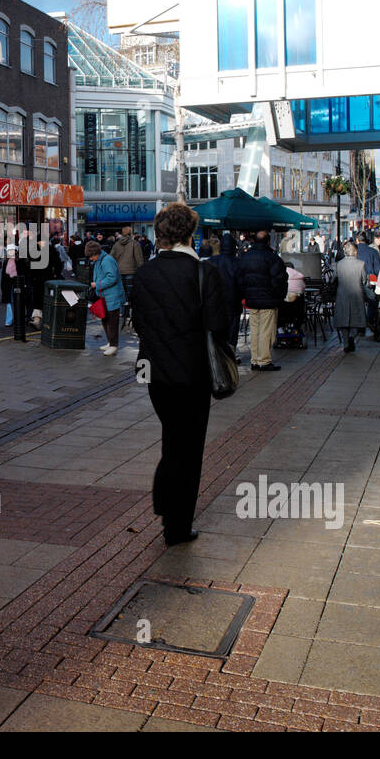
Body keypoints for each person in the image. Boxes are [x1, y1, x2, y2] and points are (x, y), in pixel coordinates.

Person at [130, 202, 230, 546]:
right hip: (193, 374)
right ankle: (176, 524)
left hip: (155, 374)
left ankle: (166, 501)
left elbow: (140, 324)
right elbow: (219, 326)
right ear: (191, 233)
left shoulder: (144, 274)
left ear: (159, 235)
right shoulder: (205, 273)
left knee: (172, 437)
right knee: (188, 449)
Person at [235, 229, 287, 371]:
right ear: (268, 241)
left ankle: (255, 359)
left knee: (255, 330)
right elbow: (280, 280)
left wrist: (244, 294)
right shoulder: (272, 258)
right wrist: (279, 296)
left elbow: (239, 278)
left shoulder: (245, 257)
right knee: (265, 331)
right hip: (267, 300)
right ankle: (263, 360)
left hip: (251, 300)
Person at [86, 240, 124, 355]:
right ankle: (110, 342)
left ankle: (114, 345)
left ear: (95, 253)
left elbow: (112, 278)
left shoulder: (106, 260)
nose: (90, 259)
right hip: (104, 296)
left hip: (112, 296)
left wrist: (97, 284)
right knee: (105, 319)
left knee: (112, 321)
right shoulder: (100, 260)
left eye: (90, 256)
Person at [334, 241, 367, 353]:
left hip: (342, 294)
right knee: (356, 319)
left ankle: (346, 342)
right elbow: (364, 280)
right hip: (356, 295)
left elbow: (334, 279)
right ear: (355, 252)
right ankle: (352, 336)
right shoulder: (361, 264)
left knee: (343, 320)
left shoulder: (339, 264)